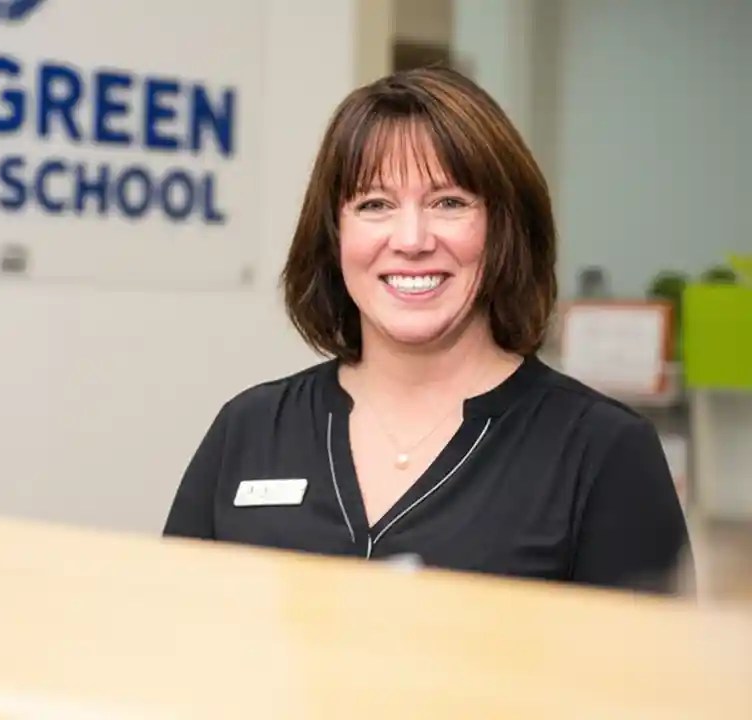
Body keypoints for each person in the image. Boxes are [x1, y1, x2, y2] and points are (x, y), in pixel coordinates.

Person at [162, 67, 691, 594]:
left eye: (449, 202)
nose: (411, 239)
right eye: (375, 205)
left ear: (504, 227)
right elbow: (168, 647)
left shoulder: (601, 452)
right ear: (334, 234)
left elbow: (657, 675)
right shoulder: (250, 431)